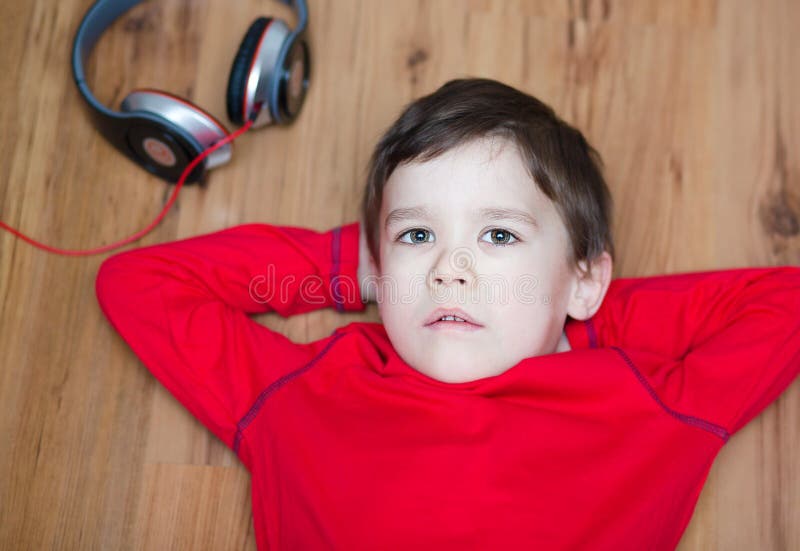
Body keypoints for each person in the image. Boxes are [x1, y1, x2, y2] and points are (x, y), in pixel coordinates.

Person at [95, 78, 800, 550]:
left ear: (587, 278)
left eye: (497, 236)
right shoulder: (304, 396)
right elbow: (141, 282)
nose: (449, 267)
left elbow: (783, 303)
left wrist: (571, 310)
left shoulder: (645, 410)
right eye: (416, 235)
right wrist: (349, 267)